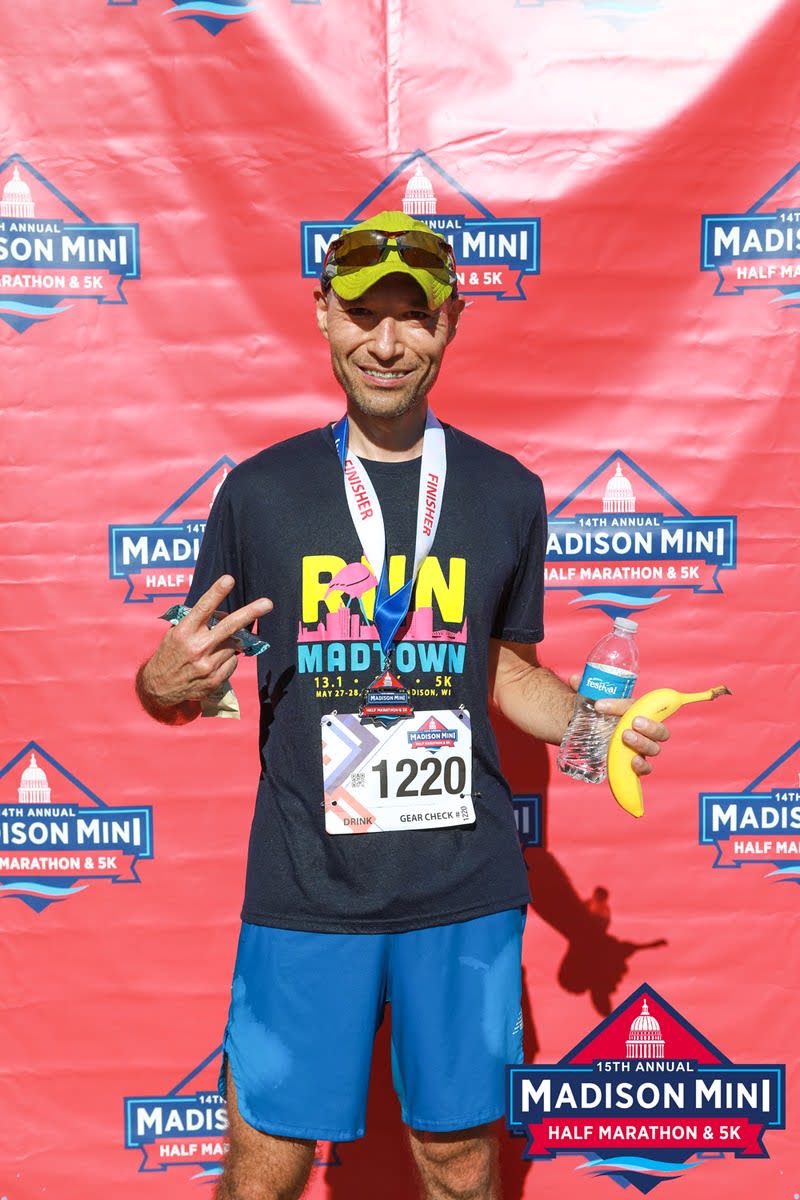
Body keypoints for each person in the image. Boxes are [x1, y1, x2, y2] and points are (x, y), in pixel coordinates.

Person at [135, 211, 668, 1200]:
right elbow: (187, 686)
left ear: (450, 324)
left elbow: (501, 670)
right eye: (361, 315)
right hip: (306, 890)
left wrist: (598, 730)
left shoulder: (505, 492)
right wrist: (161, 685)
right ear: (322, 316)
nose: (386, 344)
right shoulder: (261, 493)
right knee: (264, 1168)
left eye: (411, 319)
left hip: (460, 890)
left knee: (460, 1164)